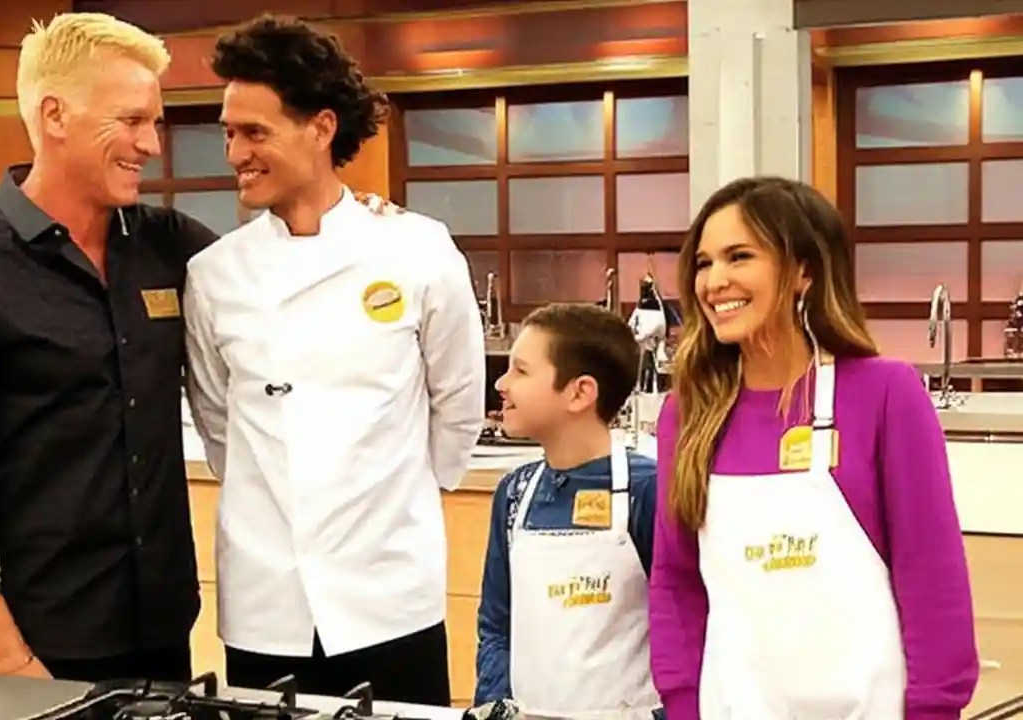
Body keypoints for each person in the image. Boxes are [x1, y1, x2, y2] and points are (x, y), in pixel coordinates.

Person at [0, 13, 217, 682]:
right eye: (129, 121)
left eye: (153, 122)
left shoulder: (170, 247)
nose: (150, 144)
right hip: (26, 650)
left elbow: (281, 266)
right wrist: (7, 656)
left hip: (159, 635)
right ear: (55, 114)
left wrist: (356, 221)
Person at [183, 13, 486, 707]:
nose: (234, 153)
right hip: (266, 598)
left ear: (321, 128)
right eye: (228, 132)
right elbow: (217, 423)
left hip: (389, 594)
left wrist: (390, 507)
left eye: (255, 132)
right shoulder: (214, 274)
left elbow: (459, 405)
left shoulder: (416, 250)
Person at [648, 176, 979, 719]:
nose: (714, 281)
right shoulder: (687, 413)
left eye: (739, 256)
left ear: (803, 271)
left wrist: (934, 709)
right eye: (704, 263)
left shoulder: (884, 395)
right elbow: (676, 582)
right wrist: (684, 703)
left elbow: (932, 578)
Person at [473, 303, 661, 719]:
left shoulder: (648, 491)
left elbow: (683, 626)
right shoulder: (515, 492)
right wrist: (495, 704)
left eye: (520, 371)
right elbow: (495, 625)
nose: (501, 384)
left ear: (580, 393)